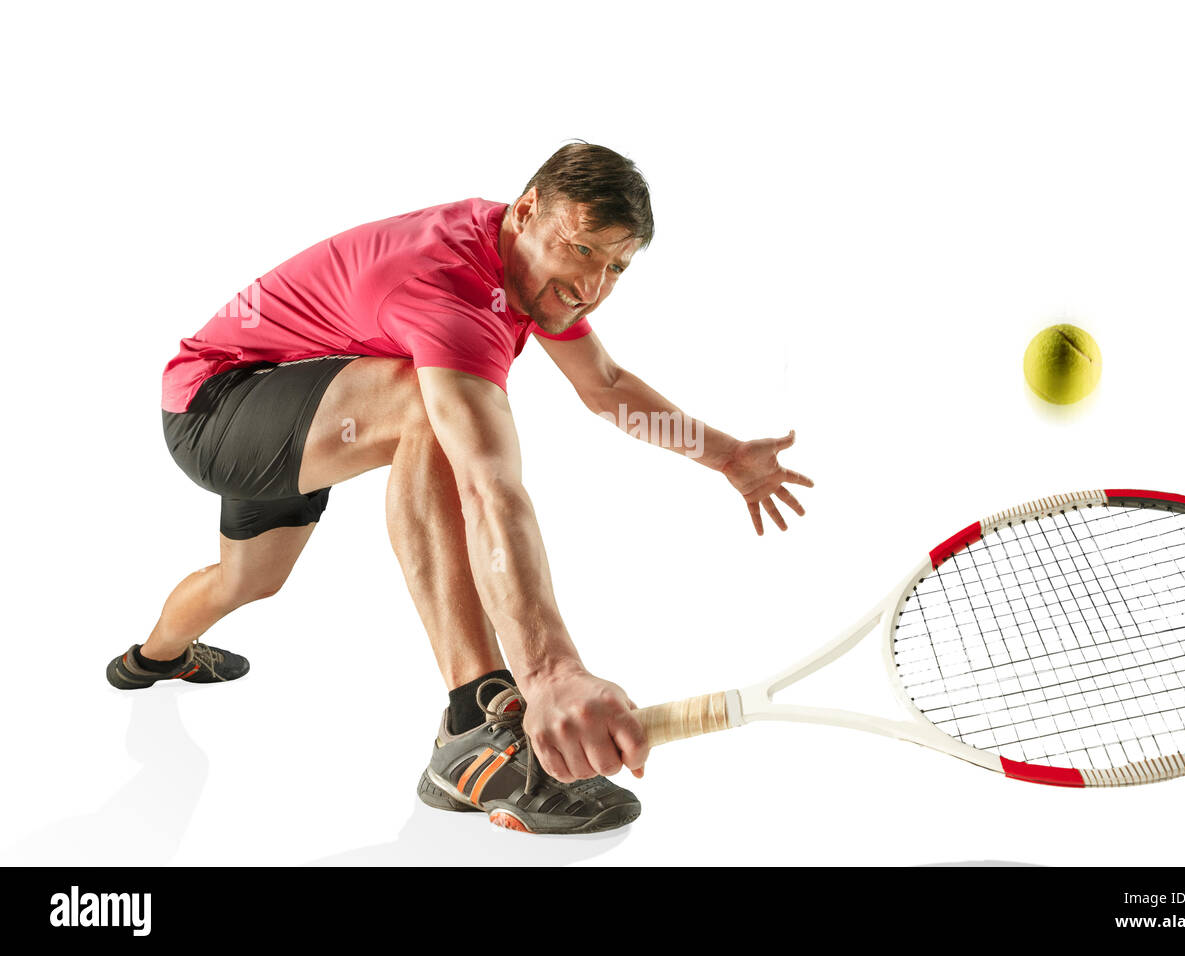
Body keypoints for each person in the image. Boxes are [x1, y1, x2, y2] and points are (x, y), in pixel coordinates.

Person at [109, 142, 813, 834]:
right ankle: (475, 716)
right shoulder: (449, 288)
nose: (593, 285)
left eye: (616, 266)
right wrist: (550, 673)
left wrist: (725, 456)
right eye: (584, 250)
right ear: (529, 210)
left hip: (301, 410)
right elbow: (488, 489)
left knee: (248, 580)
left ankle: (154, 658)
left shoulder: (528, 268)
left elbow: (604, 387)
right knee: (430, 407)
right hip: (217, 407)